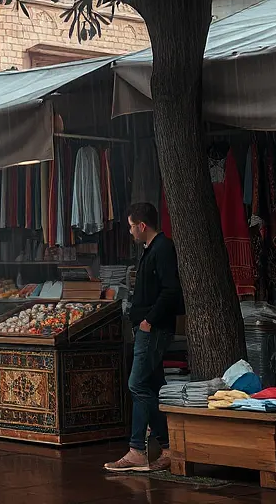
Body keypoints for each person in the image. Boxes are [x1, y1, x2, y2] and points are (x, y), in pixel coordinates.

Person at [106, 202, 183, 474]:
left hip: (154, 329)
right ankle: (169, 447)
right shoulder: (150, 249)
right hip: (146, 326)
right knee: (151, 384)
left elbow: (170, 291)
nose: (129, 232)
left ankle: (138, 449)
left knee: (136, 384)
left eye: (130, 226)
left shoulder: (163, 248)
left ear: (141, 226)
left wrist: (149, 321)